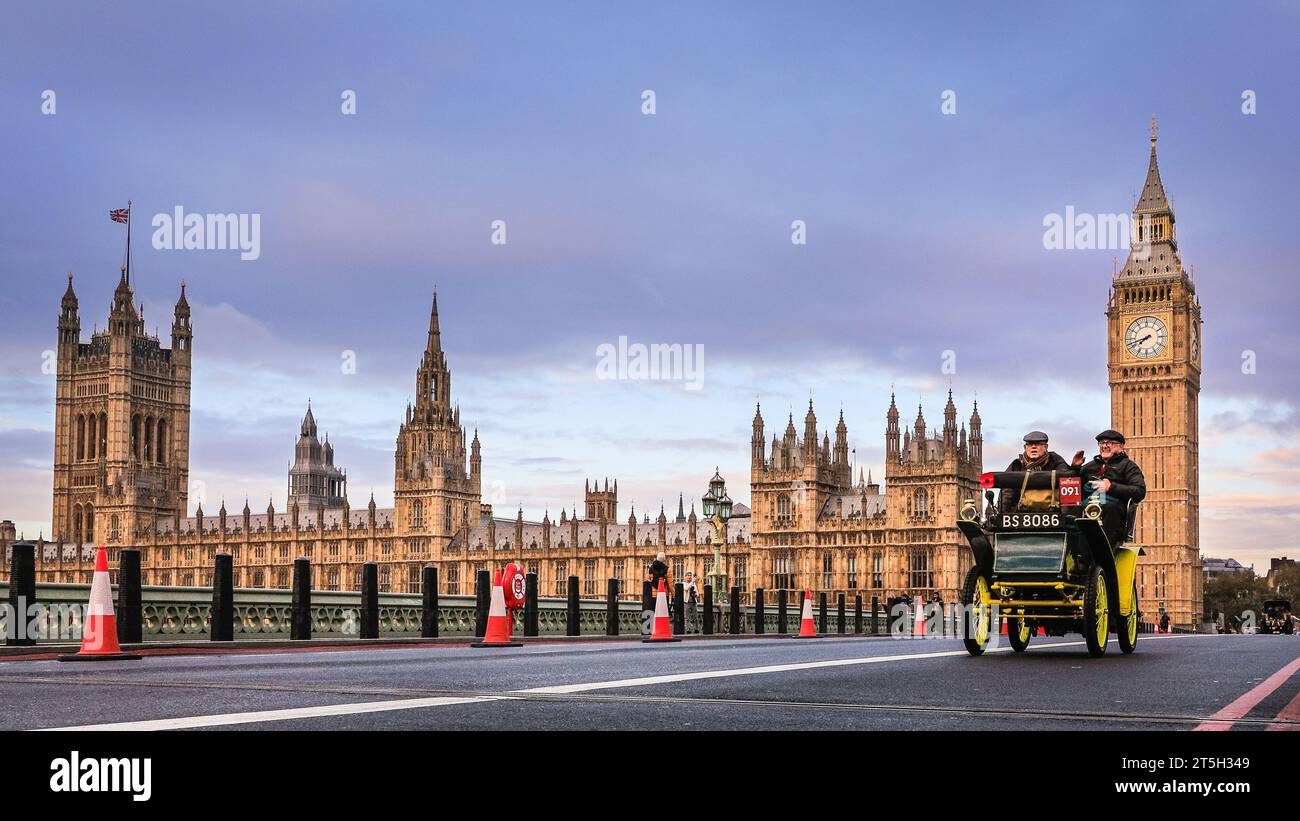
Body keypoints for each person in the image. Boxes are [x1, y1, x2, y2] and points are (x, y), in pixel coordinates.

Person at [1077, 429, 1146, 548]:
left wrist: (1111, 487)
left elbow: (1139, 491)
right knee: (1072, 510)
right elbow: (1071, 485)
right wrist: (1074, 468)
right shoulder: (1089, 467)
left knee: (1108, 508)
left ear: (1120, 447)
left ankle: (1103, 555)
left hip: (1114, 511)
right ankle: (1077, 556)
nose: (1104, 446)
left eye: (1109, 443)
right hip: (1089, 505)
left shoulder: (1128, 466)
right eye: (1102, 443)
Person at [999, 431, 1084, 510]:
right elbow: (1006, 492)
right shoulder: (1016, 465)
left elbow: (1068, 483)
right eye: (1029, 444)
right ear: (1025, 447)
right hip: (1021, 513)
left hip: (1053, 511)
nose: (1033, 447)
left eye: (1038, 444)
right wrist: (1003, 518)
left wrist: (1075, 468)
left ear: (1046, 447)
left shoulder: (1056, 460)